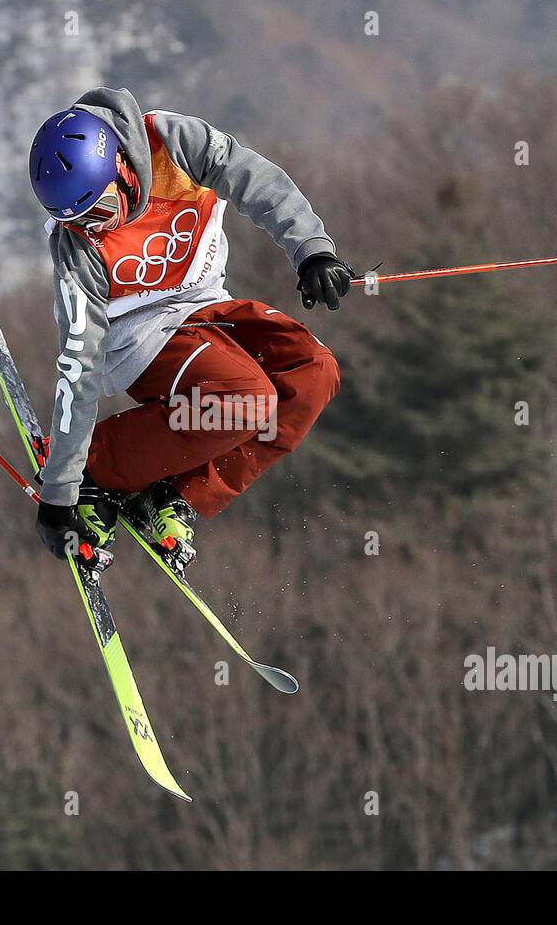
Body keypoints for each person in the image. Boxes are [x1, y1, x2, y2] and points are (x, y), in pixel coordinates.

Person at [28, 86, 352, 568]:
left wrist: (311, 251)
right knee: (245, 401)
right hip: (135, 339)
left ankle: (169, 490)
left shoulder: (171, 143)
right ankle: (99, 466)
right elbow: (78, 364)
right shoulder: (78, 250)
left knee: (312, 373)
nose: (95, 228)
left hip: (202, 306)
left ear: (121, 168)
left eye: (100, 211)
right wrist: (61, 489)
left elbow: (255, 180)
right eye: (76, 220)